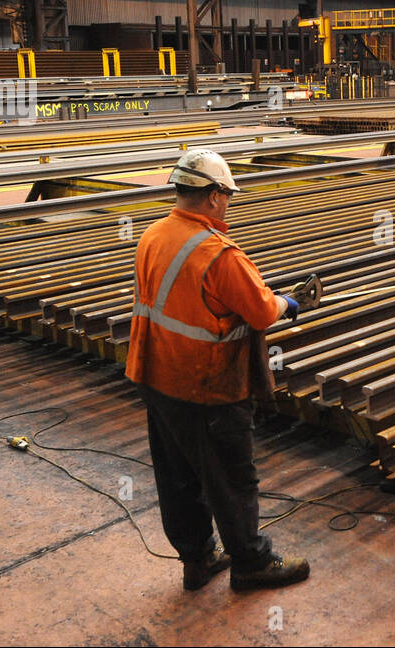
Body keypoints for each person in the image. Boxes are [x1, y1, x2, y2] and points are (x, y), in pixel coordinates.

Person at [125, 148, 310, 592]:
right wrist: (288, 302)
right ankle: (250, 563)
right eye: (226, 194)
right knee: (231, 478)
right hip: (205, 389)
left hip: (156, 377)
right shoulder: (219, 255)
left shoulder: (152, 234)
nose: (228, 203)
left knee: (179, 478)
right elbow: (261, 311)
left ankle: (198, 559)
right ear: (211, 196)